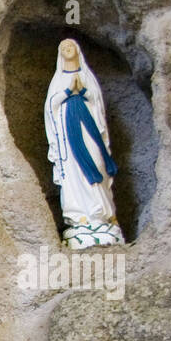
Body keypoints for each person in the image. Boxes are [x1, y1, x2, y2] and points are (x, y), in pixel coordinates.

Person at [45, 38, 125, 248]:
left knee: (98, 163)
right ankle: (79, 215)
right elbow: (50, 107)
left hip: (89, 130)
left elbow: (97, 104)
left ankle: (103, 215)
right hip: (69, 137)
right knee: (74, 172)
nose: (67, 49)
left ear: (78, 51)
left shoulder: (87, 77)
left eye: (70, 46)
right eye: (63, 48)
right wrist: (67, 92)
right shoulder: (58, 80)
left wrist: (82, 91)